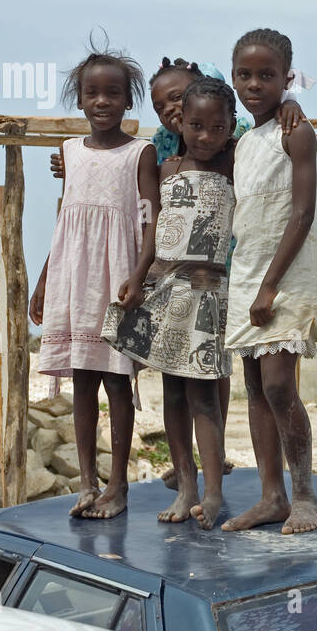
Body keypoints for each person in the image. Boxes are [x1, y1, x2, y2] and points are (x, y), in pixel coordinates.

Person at [49, 57, 306, 489]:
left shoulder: (231, 143)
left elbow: (261, 132)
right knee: (176, 379)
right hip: (173, 279)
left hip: (227, 273)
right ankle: (190, 472)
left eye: (176, 98)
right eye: (161, 105)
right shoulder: (164, 150)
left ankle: (222, 468)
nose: (169, 110)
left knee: (213, 377)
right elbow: (151, 211)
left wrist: (290, 103)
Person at [30, 39, 158, 519]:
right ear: (79, 99)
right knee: (83, 381)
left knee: (116, 380)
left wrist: (139, 275)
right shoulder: (68, 152)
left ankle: (118, 487)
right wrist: (44, 280)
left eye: (112, 93)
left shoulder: (140, 153)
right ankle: (86, 484)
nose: (101, 101)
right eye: (92, 93)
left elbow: (150, 219)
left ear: (128, 100)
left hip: (117, 275)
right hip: (72, 276)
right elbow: (67, 220)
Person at [102, 76, 237, 527]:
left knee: (204, 399)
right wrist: (137, 279)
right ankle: (186, 486)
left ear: (230, 127)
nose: (204, 135)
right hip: (167, 291)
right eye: (194, 125)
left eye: (215, 127)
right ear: (182, 126)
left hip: (207, 296)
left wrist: (293, 103)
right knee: (172, 396)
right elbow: (152, 233)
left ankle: (214, 494)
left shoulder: (233, 164)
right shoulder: (167, 169)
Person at [220, 29, 317, 535]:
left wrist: (270, 286)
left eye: (267, 75)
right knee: (254, 387)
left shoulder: (296, 131)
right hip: (248, 273)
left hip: (285, 275)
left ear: (287, 78)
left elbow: (302, 212)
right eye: (245, 75)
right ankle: (271, 497)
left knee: (280, 384)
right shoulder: (244, 141)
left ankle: (304, 494)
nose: (254, 84)